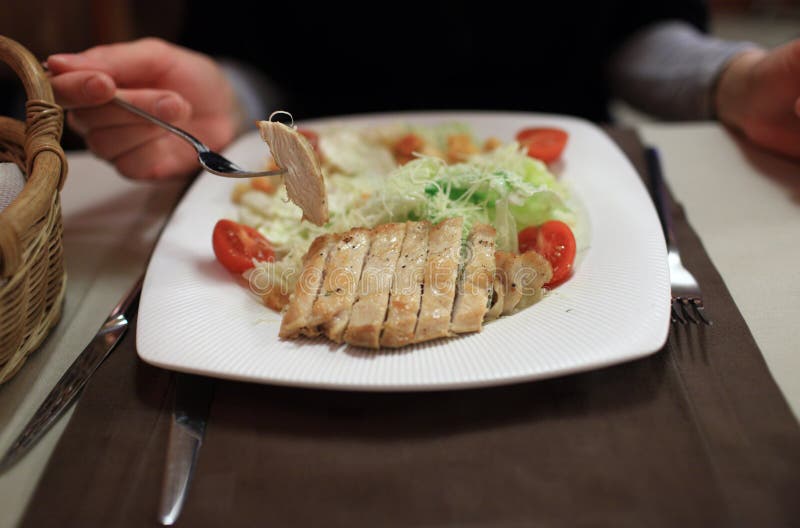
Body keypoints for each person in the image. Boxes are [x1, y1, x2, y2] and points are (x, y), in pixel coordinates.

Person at [43, 2, 800, 181]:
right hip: (319, 169)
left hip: (568, 170)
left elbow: (631, 27)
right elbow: (252, 49)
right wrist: (224, 101)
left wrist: (729, 80)